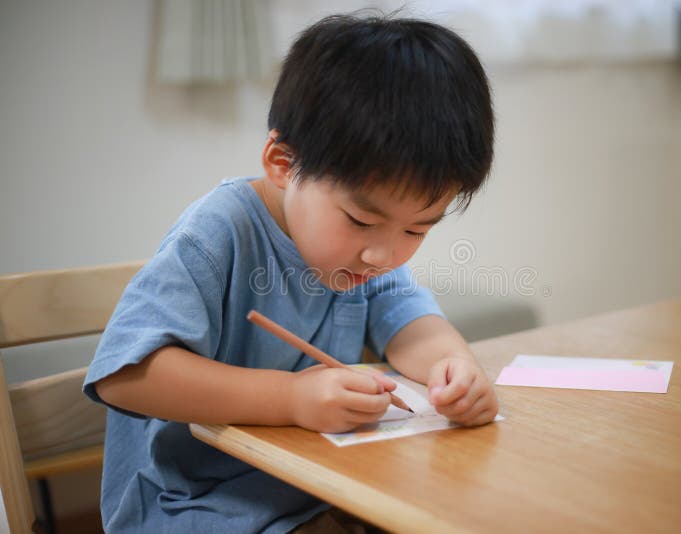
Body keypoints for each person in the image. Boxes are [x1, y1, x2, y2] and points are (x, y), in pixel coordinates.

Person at [84, 12, 499, 533]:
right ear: (283, 162)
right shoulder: (220, 233)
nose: (384, 256)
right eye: (362, 219)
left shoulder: (362, 260)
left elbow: (408, 320)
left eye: (416, 231)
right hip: (192, 506)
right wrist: (292, 398)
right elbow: (126, 377)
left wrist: (454, 369)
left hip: (315, 484)